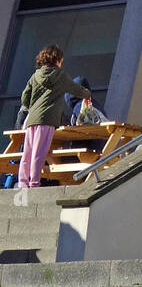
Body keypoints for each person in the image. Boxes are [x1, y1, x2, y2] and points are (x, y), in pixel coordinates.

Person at [17, 45, 91, 188]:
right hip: (47, 119)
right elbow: (76, 89)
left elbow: (25, 98)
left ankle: (22, 182)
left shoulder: (35, 76)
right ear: (57, 60)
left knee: (27, 153)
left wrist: (33, 106)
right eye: (61, 60)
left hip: (32, 120)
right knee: (39, 153)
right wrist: (88, 94)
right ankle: (34, 183)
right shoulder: (60, 75)